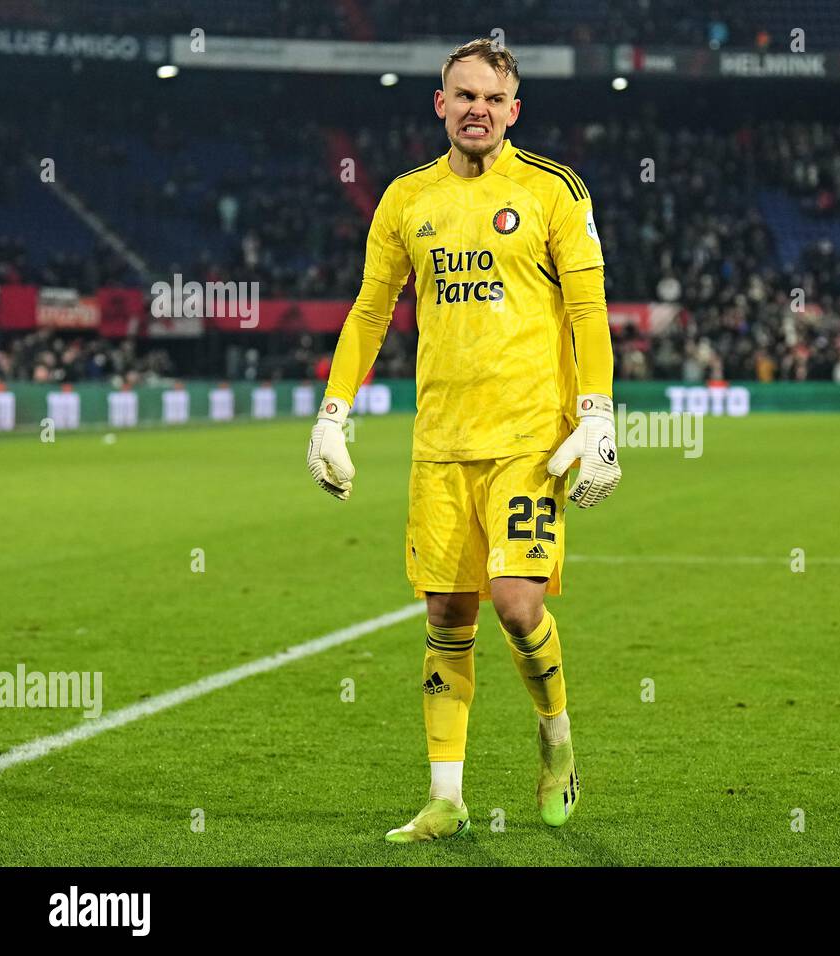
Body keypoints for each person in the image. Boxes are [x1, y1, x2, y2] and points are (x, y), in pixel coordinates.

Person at [306, 38, 620, 840]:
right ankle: (446, 797)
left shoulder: (554, 190)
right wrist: (332, 413)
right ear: (439, 105)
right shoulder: (407, 200)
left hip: (527, 437)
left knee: (517, 606)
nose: (477, 108)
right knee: (446, 612)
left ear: (513, 110)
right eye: (462, 95)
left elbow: (587, 310)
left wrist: (599, 416)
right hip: (440, 442)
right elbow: (371, 311)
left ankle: (556, 740)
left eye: (492, 97)